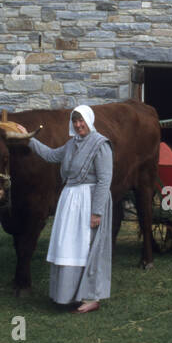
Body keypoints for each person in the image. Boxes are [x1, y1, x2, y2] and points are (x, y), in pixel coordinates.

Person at [23, 105, 113, 313]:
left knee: (87, 247)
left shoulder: (100, 145)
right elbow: (52, 155)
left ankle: (91, 297)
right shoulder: (72, 143)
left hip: (89, 201)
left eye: (81, 120)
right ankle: (66, 295)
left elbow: (104, 179)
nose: (78, 124)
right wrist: (27, 139)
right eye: (75, 121)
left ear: (89, 121)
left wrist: (97, 211)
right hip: (71, 201)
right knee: (69, 246)